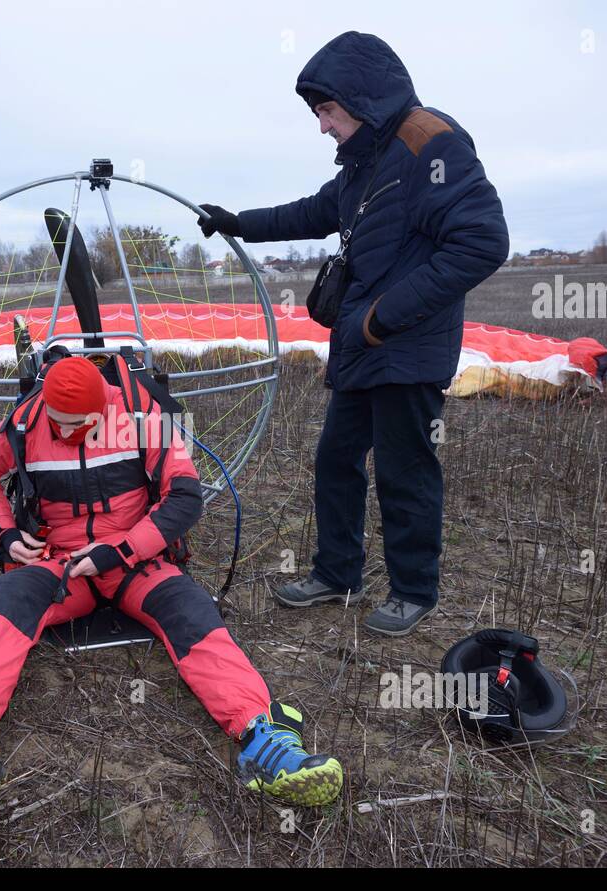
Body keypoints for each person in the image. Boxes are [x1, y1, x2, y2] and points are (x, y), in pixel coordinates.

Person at [0, 356, 343, 828]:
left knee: (191, 610)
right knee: (8, 600)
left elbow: (184, 497)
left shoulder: (140, 417)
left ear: (99, 413)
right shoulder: (28, 420)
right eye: (54, 420)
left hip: (135, 560)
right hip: (61, 565)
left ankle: (265, 739)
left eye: (74, 424)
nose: (61, 429)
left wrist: (121, 551)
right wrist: (5, 534)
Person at [197, 31, 509, 636]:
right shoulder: (363, 165)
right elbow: (307, 214)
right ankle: (338, 573)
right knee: (336, 460)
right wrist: (236, 222)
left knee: (404, 469)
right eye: (317, 114)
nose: (321, 126)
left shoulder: (429, 144)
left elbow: (483, 242)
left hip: (407, 347)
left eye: (326, 111)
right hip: (363, 348)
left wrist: (384, 315)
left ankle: (414, 588)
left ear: (361, 99)